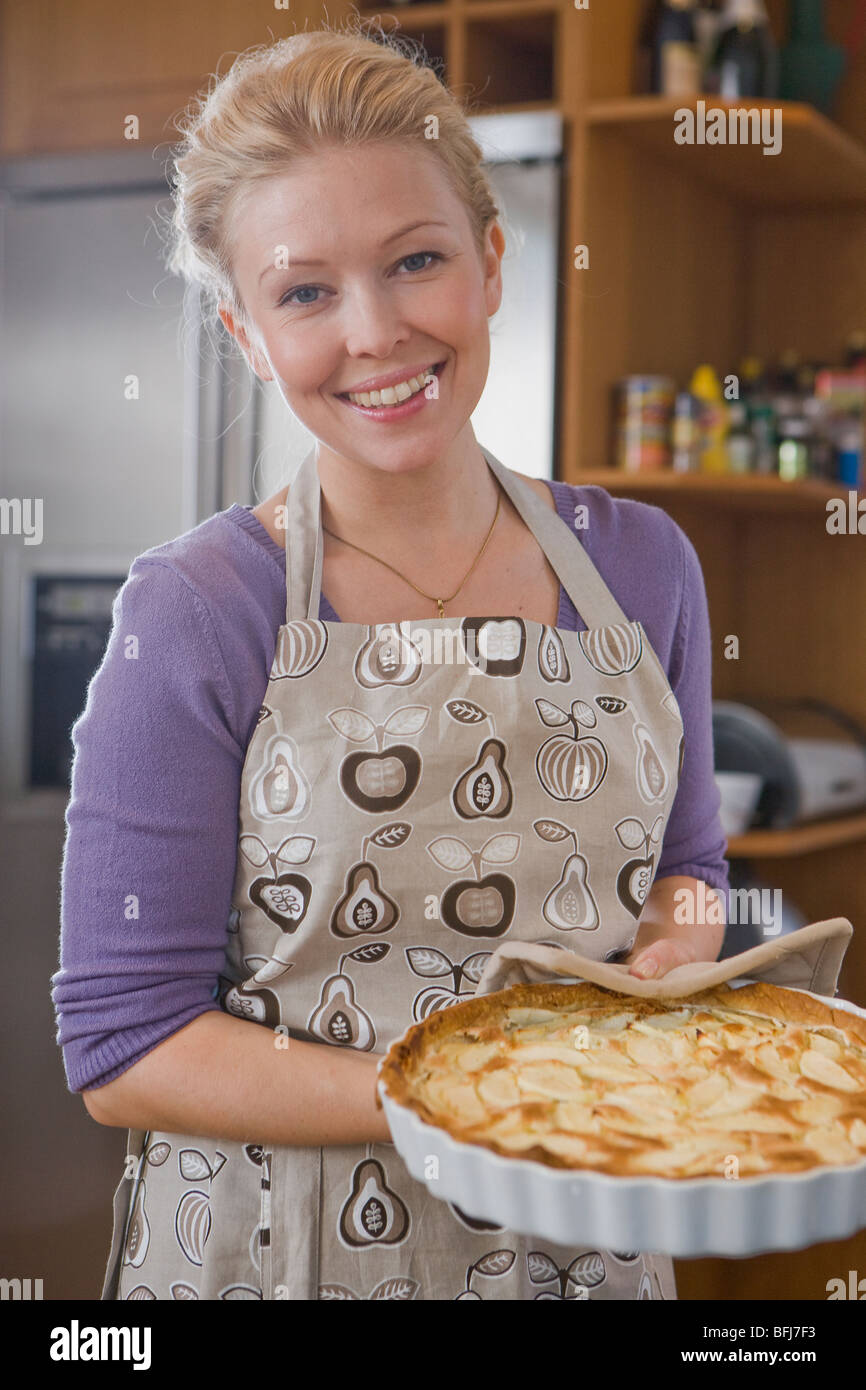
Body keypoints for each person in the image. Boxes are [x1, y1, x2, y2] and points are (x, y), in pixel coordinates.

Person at [52, 23, 729, 1301]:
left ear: (486, 265)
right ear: (246, 333)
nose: (374, 332)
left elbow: (685, 868)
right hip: (284, 1257)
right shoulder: (198, 610)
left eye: (415, 261)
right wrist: (470, 1102)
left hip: (586, 1238)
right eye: (304, 291)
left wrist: (663, 968)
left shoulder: (641, 567)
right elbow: (126, 1044)